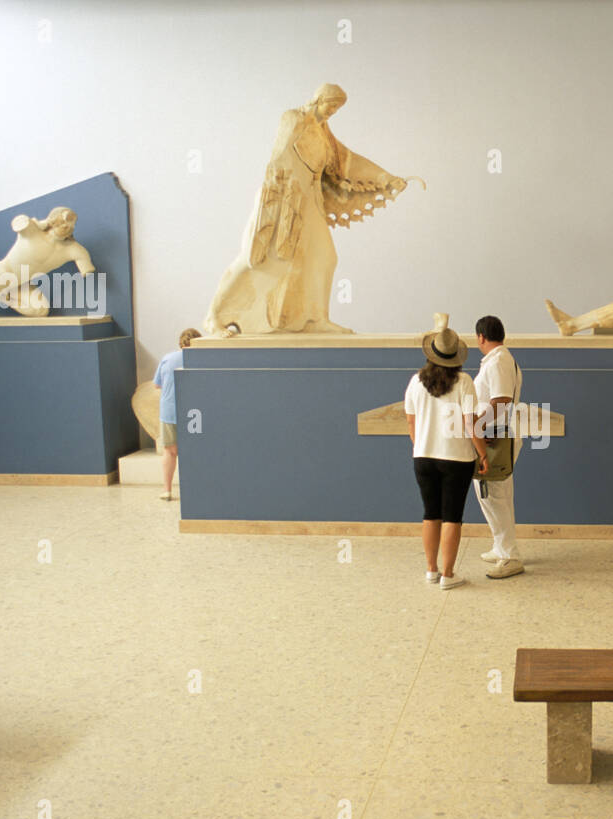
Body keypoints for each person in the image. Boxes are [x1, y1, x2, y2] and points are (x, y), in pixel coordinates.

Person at [203, 83, 418, 336]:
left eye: (337, 108)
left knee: (325, 257)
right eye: (331, 105)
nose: (333, 111)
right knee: (252, 259)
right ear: (319, 99)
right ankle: (213, 318)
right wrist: (281, 203)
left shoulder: (324, 134)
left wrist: (385, 177)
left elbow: (349, 162)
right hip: (279, 201)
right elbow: (278, 161)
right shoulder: (293, 118)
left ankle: (317, 318)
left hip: (309, 202)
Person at [404, 315, 488, 589]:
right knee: (452, 515)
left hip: (423, 457)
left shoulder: (416, 381)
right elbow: (469, 422)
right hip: (457, 458)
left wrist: (420, 446)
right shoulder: (464, 382)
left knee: (430, 514)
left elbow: (411, 421)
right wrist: (483, 454)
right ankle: (449, 575)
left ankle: (431, 570)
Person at [472, 315, 524, 579]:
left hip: (496, 436)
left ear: (481, 337)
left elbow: (501, 400)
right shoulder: (501, 360)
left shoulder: (498, 362)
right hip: (497, 433)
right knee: (493, 494)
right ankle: (501, 546)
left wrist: (479, 427)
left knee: (494, 495)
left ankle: (510, 556)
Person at [152, 328, 202, 501]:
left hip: (168, 411)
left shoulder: (167, 358)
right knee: (195, 451)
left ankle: (167, 490)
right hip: (194, 413)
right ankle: (195, 489)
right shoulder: (200, 361)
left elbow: (157, 385)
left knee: (169, 452)